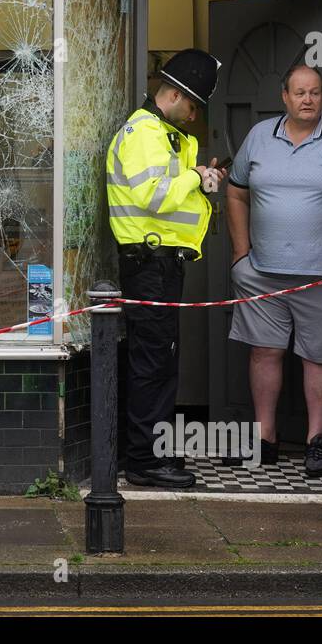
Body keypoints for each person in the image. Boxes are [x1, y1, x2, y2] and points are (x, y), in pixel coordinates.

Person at [224, 64, 322, 475]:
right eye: (300, 93)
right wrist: (240, 254)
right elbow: (235, 194)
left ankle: (316, 444)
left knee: (317, 358)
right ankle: (265, 440)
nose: (308, 100)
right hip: (262, 273)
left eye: (316, 93)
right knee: (264, 352)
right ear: (284, 96)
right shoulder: (259, 137)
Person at [105, 49, 226, 488]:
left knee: (158, 362)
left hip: (162, 264)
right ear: (173, 95)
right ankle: (143, 461)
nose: (194, 116)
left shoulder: (165, 135)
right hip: (149, 264)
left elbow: (167, 196)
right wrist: (195, 178)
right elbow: (154, 197)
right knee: (153, 363)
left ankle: (150, 452)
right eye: (192, 105)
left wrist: (198, 178)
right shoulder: (143, 133)